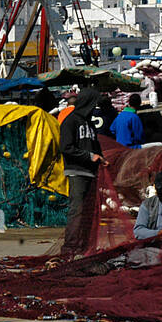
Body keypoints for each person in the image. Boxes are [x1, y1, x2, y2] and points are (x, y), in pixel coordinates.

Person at [60, 87, 105, 255]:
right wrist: (89, 156)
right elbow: (66, 148)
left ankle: (85, 245)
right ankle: (71, 247)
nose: (94, 108)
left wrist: (101, 157)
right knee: (77, 211)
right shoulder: (70, 122)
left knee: (88, 212)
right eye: (93, 104)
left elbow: (95, 146)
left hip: (91, 173)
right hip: (77, 172)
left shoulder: (89, 123)